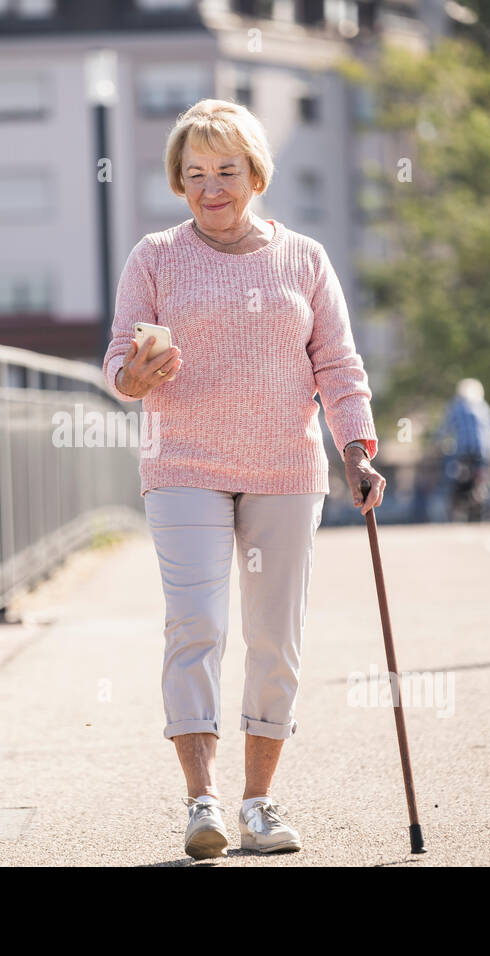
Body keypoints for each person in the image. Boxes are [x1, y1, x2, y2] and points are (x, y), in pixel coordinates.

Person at [101, 99, 386, 859]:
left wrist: (356, 448)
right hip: (184, 466)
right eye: (194, 173)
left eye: (226, 170)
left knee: (274, 639)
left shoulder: (305, 259)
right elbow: (116, 367)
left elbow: (338, 365)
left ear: (255, 173)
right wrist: (135, 373)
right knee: (195, 625)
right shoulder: (154, 258)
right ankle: (203, 803)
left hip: (285, 471)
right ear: (179, 181)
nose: (210, 187)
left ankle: (259, 803)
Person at [436, 378, 490, 522]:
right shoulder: (484, 407)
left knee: (451, 477)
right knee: (485, 481)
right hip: (485, 452)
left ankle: (454, 512)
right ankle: (486, 514)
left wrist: (438, 445)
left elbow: (444, 430)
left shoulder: (457, 406)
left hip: (463, 452)